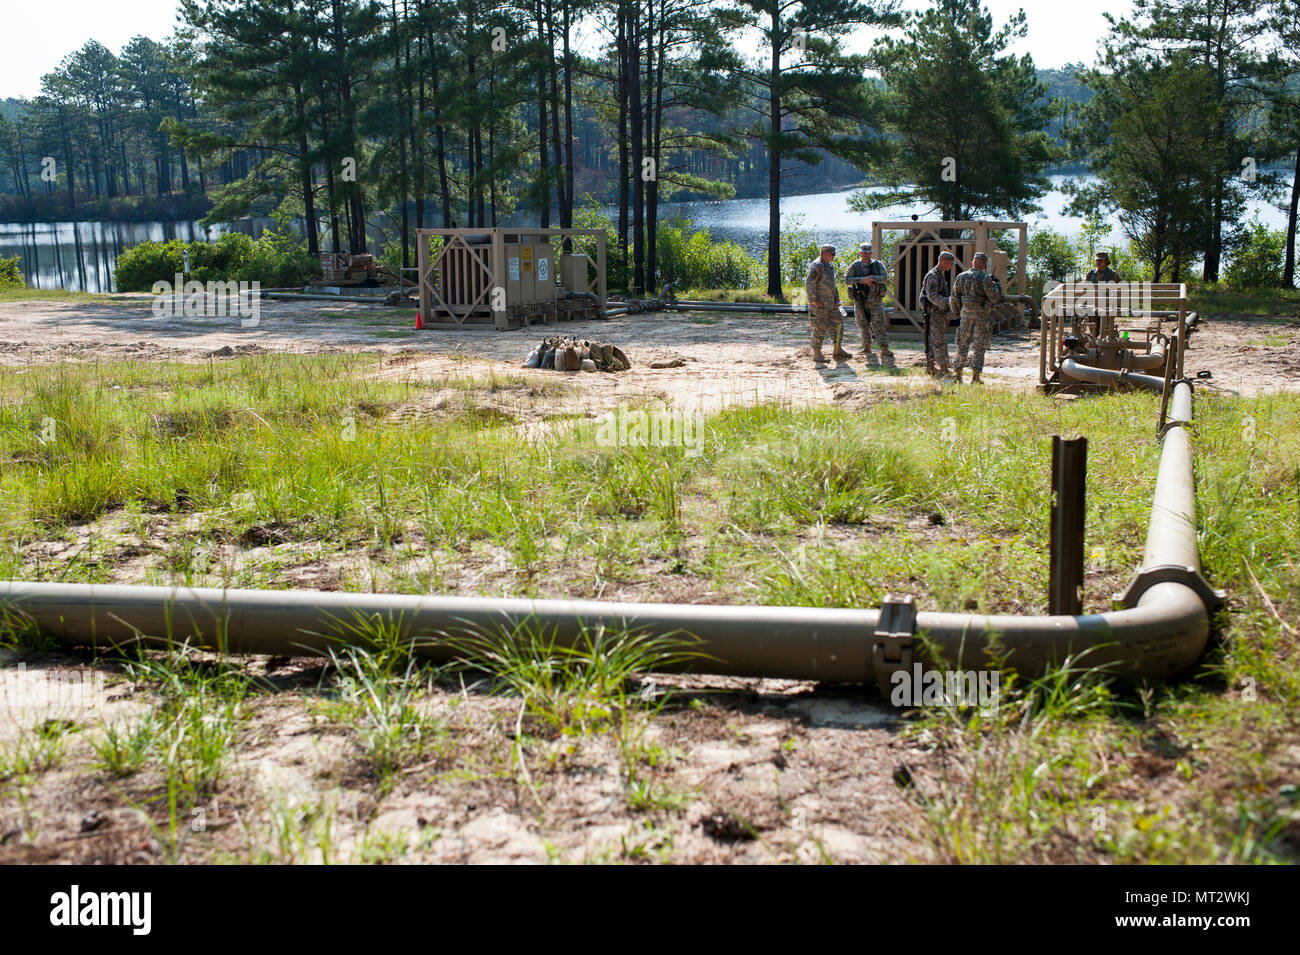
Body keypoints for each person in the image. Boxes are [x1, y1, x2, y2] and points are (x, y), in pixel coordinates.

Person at [949, 251, 1003, 385]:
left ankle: (958, 375)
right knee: (979, 346)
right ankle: (975, 377)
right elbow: (995, 297)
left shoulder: (961, 277)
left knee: (962, 344)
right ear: (984, 265)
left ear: (972, 262)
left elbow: (954, 298)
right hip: (981, 316)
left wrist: (956, 313)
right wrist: (997, 285)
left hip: (965, 315)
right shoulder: (985, 278)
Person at [845, 242, 893, 367]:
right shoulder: (855, 266)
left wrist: (871, 278)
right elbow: (847, 279)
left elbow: (884, 278)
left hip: (875, 300)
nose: (865, 255)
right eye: (863, 253)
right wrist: (861, 280)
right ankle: (867, 347)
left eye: (868, 253)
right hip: (860, 300)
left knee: (879, 323)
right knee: (862, 324)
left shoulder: (877, 265)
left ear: (871, 253)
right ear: (860, 253)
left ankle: (884, 348)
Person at [805, 244, 845, 364]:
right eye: (832, 254)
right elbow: (809, 284)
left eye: (834, 254)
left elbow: (832, 284)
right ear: (824, 254)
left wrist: (837, 299)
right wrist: (813, 300)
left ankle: (837, 350)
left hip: (832, 303)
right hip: (820, 304)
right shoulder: (817, 266)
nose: (834, 256)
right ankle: (817, 353)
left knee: (838, 324)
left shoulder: (830, 265)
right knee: (819, 328)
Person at [920, 251, 955, 378]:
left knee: (933, 340)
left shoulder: (939, 275)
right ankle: (944, 368)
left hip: (938, 313)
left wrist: (946, 313)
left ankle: (930, 366)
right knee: (938, 340)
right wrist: (948, 302)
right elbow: (932, 296)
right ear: (943, 262)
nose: (950, 266)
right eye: (950, 263)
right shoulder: (933, 276)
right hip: (933, 313)